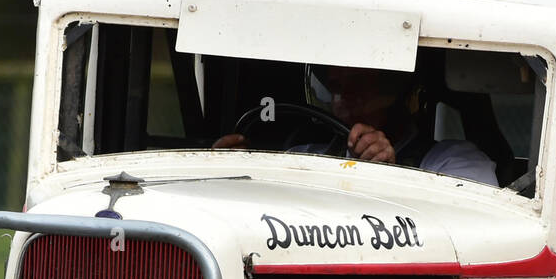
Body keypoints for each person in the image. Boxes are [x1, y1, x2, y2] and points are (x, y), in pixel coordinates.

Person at [213, 64, 498, 186]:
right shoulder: (305, 154)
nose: (344, 101)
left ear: (401, 93)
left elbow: (472, 235)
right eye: (337, 88)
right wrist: (230, 173)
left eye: (361, 87)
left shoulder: (455, 162)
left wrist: (389, 172)